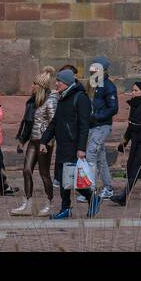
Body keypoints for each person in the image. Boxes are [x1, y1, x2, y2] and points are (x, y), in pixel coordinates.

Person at [41, 68, 91, 219]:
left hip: (73, 144)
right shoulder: (62, 96)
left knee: (69, 177)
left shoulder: (80, 98)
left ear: (67, 83)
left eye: (59, 81)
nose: (56, 84)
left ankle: (91, 198)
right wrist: (44, 140)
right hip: (63, 144)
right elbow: (55, 122)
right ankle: (66, 208)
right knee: (62, 177)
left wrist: (81, 148)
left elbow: (84, 125)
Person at [12, 67, 56, 216]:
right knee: (26, 170)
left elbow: (53, 123)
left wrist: (48, 142)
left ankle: (50, 202)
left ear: (41, 87)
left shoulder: (50, 101)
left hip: (44, 142)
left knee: (44, 173)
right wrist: (22, 140)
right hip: (33, 140)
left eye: (35, 84)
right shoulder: (32, 102)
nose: (32, 86)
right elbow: (28, 123)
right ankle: (28, 203)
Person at [86, 56, 118, 201]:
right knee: (101, 158)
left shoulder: (109, 86)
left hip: (102, 126)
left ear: (103, 70)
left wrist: (97, 117)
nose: (92, 72)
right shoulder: (93, 84)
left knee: (91, 153)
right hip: (93, 126)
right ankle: (108, 187)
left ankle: (89, 190)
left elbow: (113, 108)